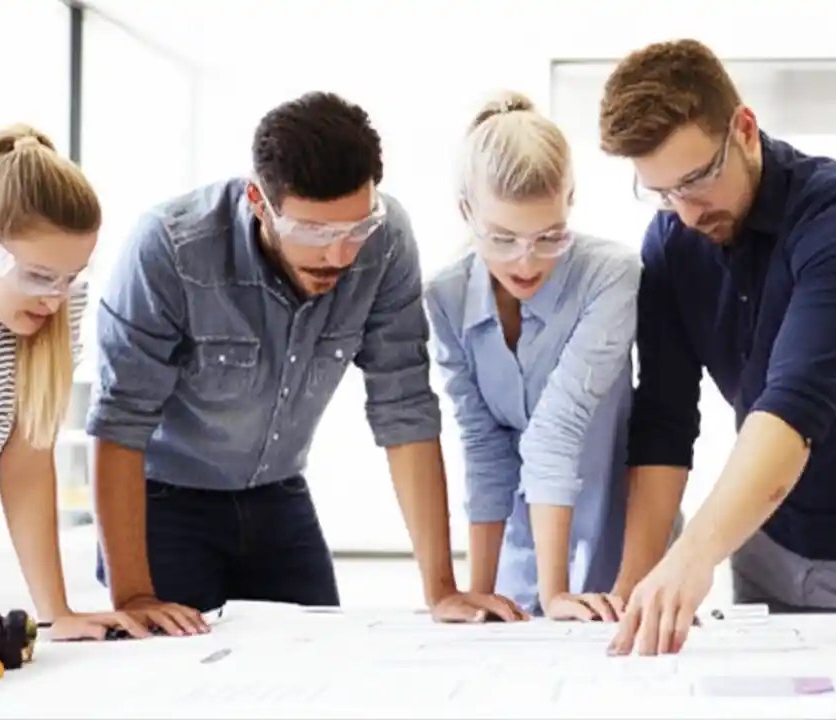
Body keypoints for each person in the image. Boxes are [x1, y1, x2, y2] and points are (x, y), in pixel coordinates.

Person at [87, 91, 524, 633]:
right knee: (173, 667)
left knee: (320, 656)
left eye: (354, 229)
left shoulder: (384, 242)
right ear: (257, 199)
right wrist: (132, 595)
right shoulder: (171, 247)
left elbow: (404, 405)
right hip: (164, 504)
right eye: (313, 233)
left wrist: (442, 590)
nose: (339, 255)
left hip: (278, 493)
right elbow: (119, 424)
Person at [596, 39, 836, 656]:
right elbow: (664, 421)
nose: (686, 213)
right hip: (766, 537)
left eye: (697, 180)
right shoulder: (669, 241)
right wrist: (636, 580)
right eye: (663, 193)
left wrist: (692, 557)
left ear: (744, 128)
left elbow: (792, 409)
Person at [0, 125, 142, 639]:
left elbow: (27, 460)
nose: (55, 298)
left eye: (71, 276)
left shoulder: (54, 313)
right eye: (39, 276)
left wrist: (55, 612)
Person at [425, 92, 636, 620]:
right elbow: (483, 446)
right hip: (520, 556)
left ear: (571, 199)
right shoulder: (446, 298)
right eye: (502, 238)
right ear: (466, 211)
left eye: (549, 237)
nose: (526, 261)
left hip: (619, 545)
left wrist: (555, 595)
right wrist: (479, 592)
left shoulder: (610, 276)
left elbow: (557, 429)